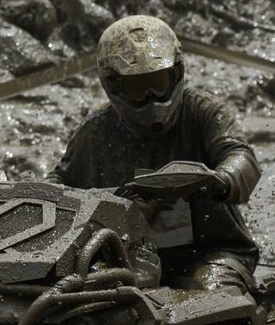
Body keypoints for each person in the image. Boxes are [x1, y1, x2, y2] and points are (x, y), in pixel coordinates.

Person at [52, 16, 261, 296]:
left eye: (158, 83)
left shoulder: (203, 112)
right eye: (138, 88)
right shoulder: (95, 131)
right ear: (112, 85)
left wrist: (218, 179)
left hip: (213, 253)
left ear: (176, 74)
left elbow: (240, 155)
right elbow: (59, 185)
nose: (151, 98)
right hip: (125, 258)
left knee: (211, 299)